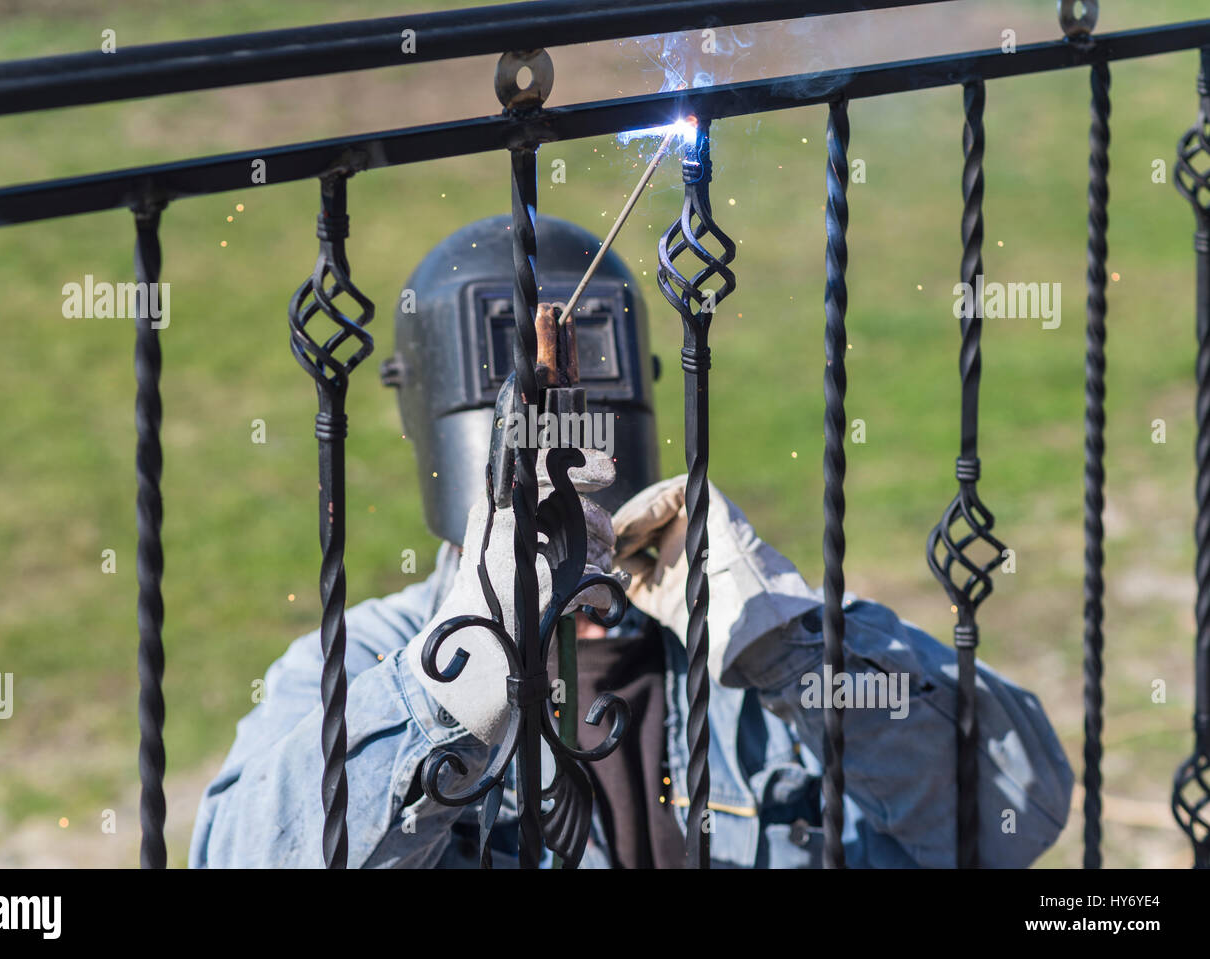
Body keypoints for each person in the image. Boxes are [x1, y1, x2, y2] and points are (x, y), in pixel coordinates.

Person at [189, 215, 1073, 869]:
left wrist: (787, 640)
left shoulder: (743, 654)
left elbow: (1014, 813)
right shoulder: (363, 663)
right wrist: (454, 687)